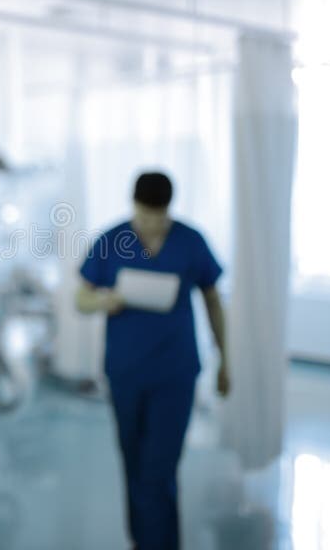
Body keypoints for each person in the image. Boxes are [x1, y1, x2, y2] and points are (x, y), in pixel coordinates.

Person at [76, 171, 229, 550]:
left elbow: (213, 301)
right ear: (133, 206)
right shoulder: (113, 240)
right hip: (125, 371)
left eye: (159, 218)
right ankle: (142, 541)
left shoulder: (190, 242)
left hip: (174, 373)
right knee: (132, 462)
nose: (151, 225)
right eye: (144, 217)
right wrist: (105, 301)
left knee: (158, 468)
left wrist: (226, 358)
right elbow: (81, 299)